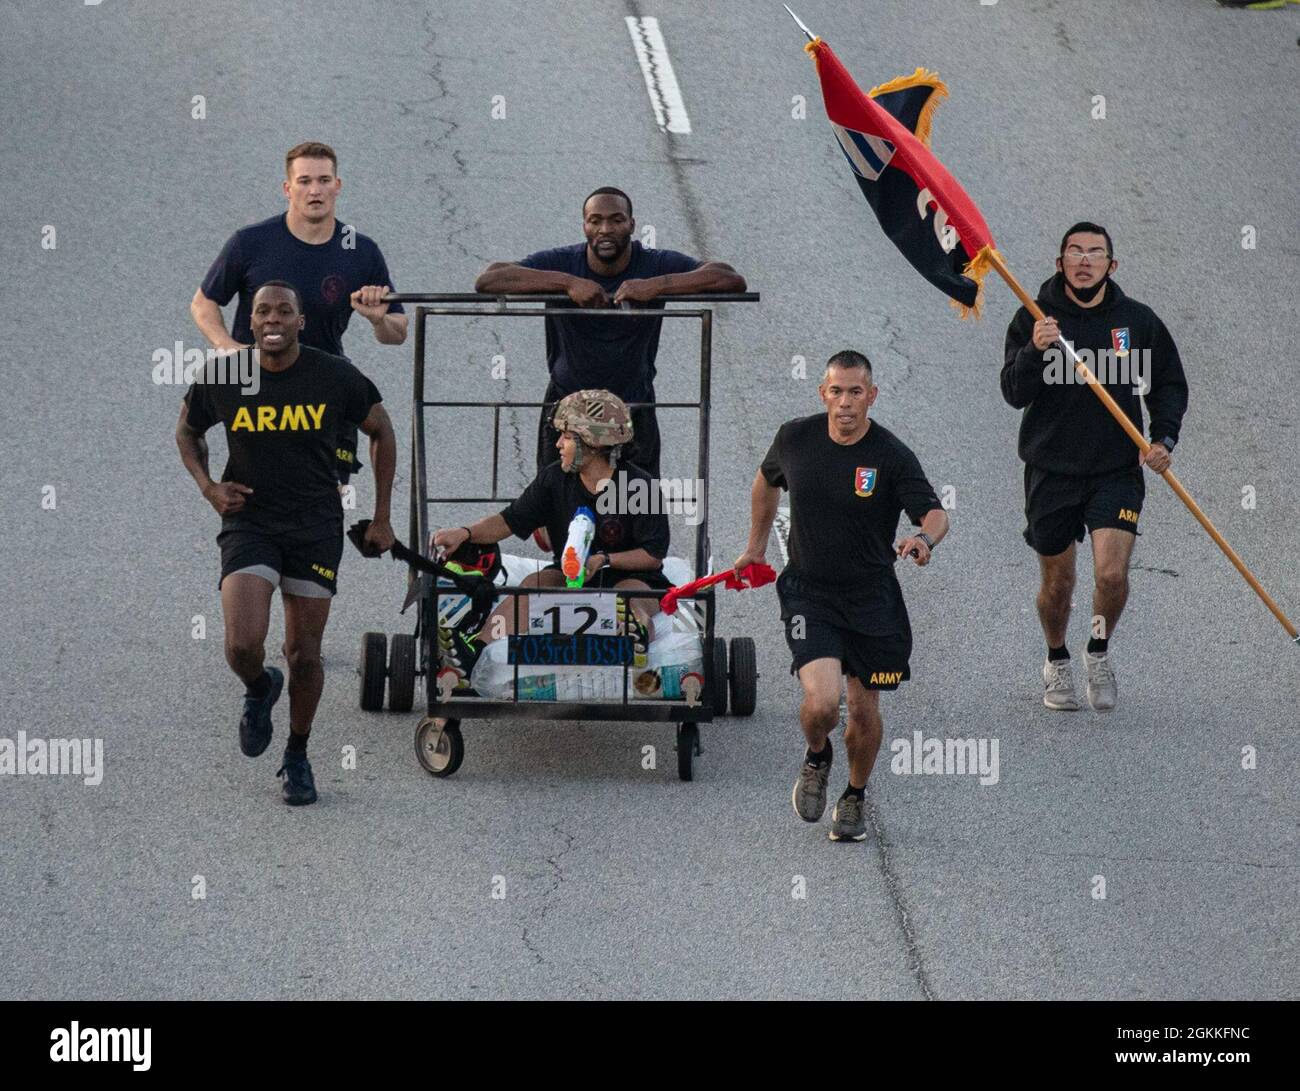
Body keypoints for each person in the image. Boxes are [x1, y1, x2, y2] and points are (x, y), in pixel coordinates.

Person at [176, 282, 397, 806]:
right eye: (261, 312)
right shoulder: (227, 374)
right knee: (242, 645)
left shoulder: (334, 375)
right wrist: (209, 487)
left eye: (285, 311)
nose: (272, 319)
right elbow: (188, 431)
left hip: (314, 527)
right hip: (250, 521)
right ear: (248, 324)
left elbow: (382, 431)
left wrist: (383, 517)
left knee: (304, 653)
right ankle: (257, 687)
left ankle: (297, 754)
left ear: (301, 321)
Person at [735, 351, 948, 843]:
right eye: (837, 391)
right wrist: (755, 546)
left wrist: (923, 540)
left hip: (872, 598)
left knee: (864, 710)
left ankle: (854, 794)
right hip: (809, 594)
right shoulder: (795, 438)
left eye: (856, 392)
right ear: (822, 394)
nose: (846, 402)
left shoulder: (891, 456)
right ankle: (817, 757)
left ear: (871, 396)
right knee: (822, 703)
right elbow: (766, 481)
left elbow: (936, 514)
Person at [1002, 222, 1188, 712]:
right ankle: (1056, 659)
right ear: (1060, 262)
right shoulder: (1034, 319)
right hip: (1050, 470)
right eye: (1075, 252)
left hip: (1115, 471)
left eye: (1096, 253)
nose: (1085, 260)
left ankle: (1098, 651)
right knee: (1058, 583)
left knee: (1110, 574)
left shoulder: (1137, 321)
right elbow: (1013, 393)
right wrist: (1035, 350)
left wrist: (1162, 437)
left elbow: (1168, 384)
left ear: (1112, 265)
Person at [474, 186, 746, 490]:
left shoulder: (652, 263)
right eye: (595, 221)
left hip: (632, 403)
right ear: (584, 226)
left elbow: (729, 278)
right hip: (567, 404)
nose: (605, 229)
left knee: (637, 509)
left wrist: (655, 286)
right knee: (554, 512)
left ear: (631, 224)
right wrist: (567, 283)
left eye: (616, 220)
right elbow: (489, 279)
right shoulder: (563, 262)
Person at [190, 140, 407, 485]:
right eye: (304, 181)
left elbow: (398, 332)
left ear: (338, 186)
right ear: (287, 189)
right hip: (261, 389)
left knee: (325, 492)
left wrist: (378, 318)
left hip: (327, 388)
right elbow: (203, 302)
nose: (315, 190)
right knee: (260, 492)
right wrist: (226, 346)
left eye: (323, 180)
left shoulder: (360, 250)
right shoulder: (251, 242)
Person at [430, 390, 669, 682]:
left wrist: (604, 560)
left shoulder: (639, 486)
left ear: (591, 442)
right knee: (532, 585)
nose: (557, 444)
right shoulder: (554, 479)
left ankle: (634, 638)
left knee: (634, 597)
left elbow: (653, 556)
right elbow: (509, 520)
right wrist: (465, 533)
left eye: (566, 437)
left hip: (626, 575)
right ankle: (476, 652)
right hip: (570, 574)